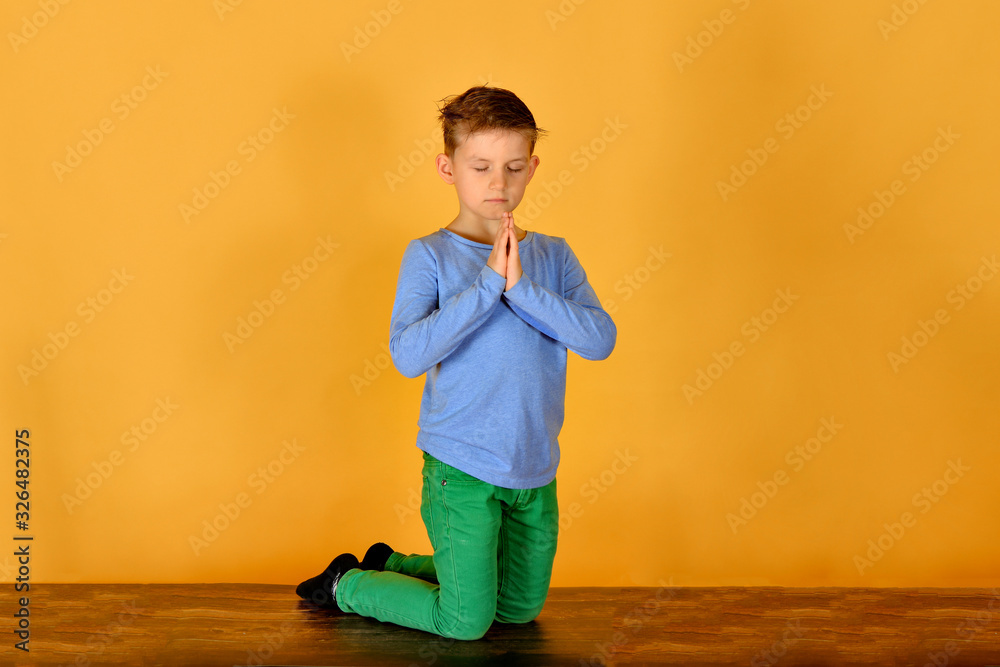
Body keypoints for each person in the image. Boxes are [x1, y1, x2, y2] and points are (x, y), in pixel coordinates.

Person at [296, 84, 617, 641]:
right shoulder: (430, 256)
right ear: (448, 169)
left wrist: (523, 288)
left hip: (534, 468)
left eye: (514, 167)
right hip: (461, 467)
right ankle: (347, 583)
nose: (499, 183)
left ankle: (394, 562)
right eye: (482, 167)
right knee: (466, 622)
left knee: (517, 611)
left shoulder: (554, 256)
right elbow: (408, 355)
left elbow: (599, 340)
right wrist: (489, 283)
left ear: (533, 168)